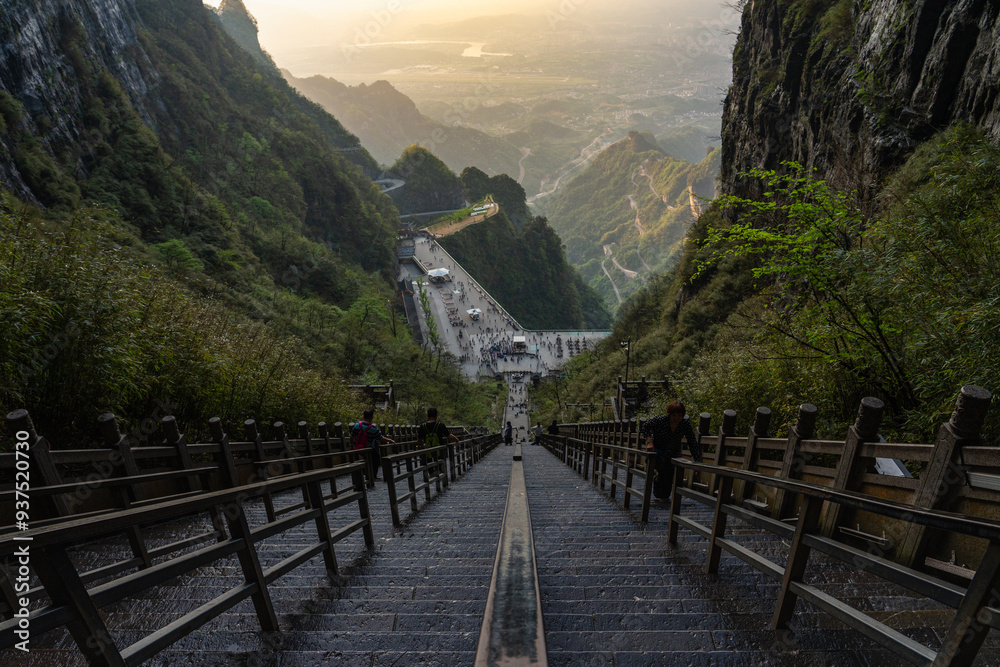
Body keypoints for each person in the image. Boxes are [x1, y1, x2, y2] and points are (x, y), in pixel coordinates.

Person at [641, 401, 702, 501]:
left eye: (679, 415)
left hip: (672, 454)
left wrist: (697, 461)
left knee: (668, 481)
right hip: (658, 452)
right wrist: (649, 441)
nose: (676, 418)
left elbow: (692, 442)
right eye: (674, 415)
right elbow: (645, 427)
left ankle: (662, 497)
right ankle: (657, 484)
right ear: (669, 414)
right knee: (662, 469)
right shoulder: (661, 420)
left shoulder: (684, 424)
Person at [351, 409, 395, 482]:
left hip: (358, 448)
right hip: (369, 448)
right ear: (372, 417)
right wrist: (390, 440)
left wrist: (352, 446)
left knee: (367, 459)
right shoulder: (373, 428)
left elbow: (352, 436)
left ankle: (367, 473)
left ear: (363, 416)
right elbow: (380, 438)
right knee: (376, 459)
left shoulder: (357, 425)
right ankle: (372, 475)